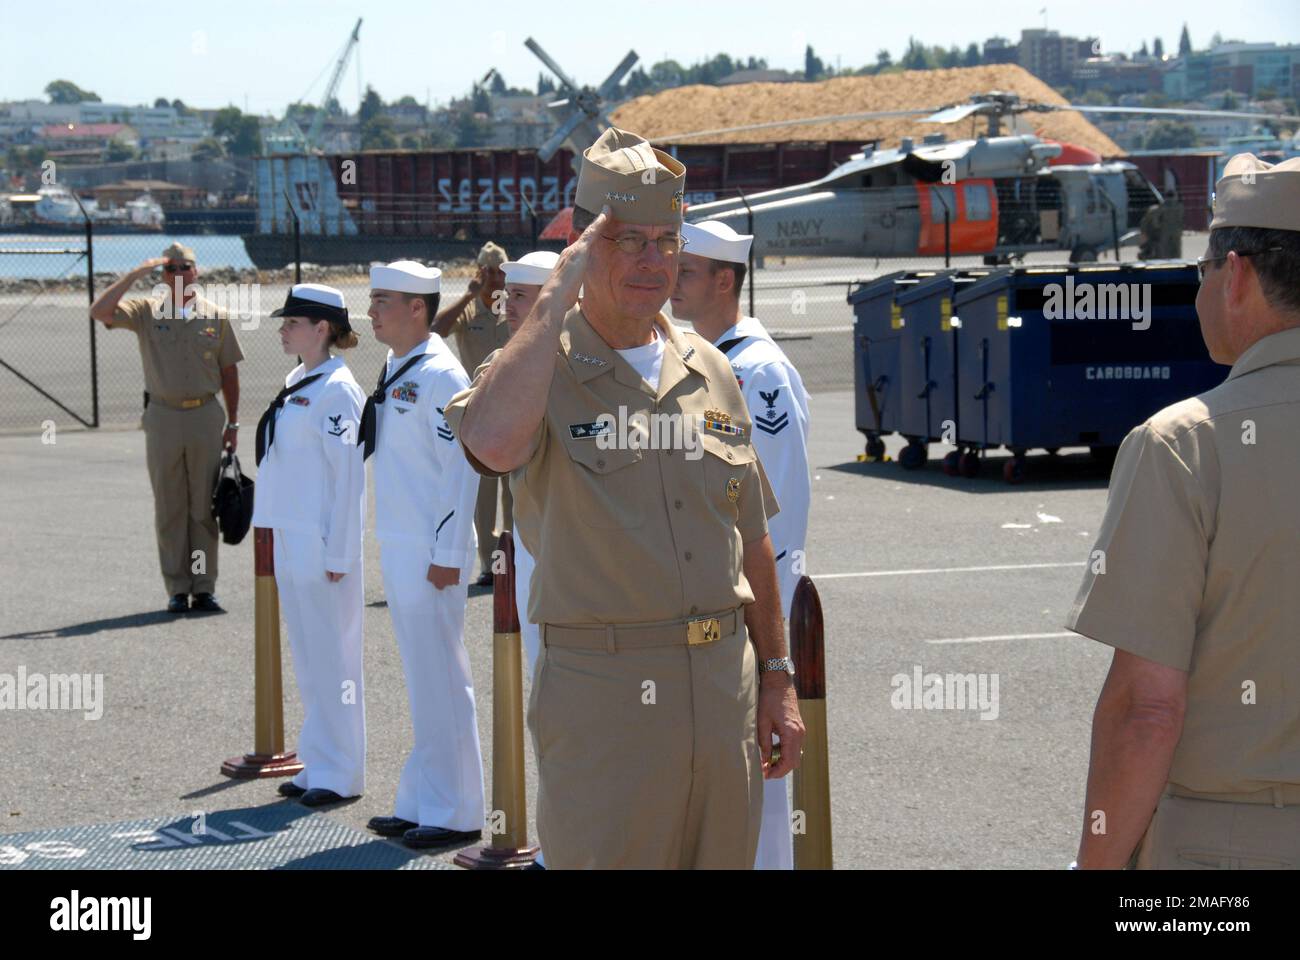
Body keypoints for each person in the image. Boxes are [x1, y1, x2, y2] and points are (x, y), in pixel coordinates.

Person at [446, 127, 805, 869]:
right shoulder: (538, 365)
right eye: (626, 240)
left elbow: (752, 537)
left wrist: (778, 675)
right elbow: (493, 447)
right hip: (605, 698)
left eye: (665, 242)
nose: (652, 262)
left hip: (723, 691)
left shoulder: (711, 368)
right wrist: (554, 295)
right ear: (581, 244)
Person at [1067, 153, 1300, 869]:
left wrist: (1096, 866)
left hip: (1230, 845)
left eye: (1203, 267)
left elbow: (1148, 709)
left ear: (1236, 276)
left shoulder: (1184, 444)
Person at [672, 219, 812, 871]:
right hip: (704, 621)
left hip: (748, 622)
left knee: (760, 793)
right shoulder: (701, 365)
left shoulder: (757, 375)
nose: (670, 281)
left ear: (724, 281)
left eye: (687, 271)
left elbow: (774, 524)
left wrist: (767, 641)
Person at [360, 260, 485, 850]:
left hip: (431, 550)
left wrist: (449, 551)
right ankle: (421, 799)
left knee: (443, 678)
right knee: (422, 680)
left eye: (382, 300)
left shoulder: (441, 375)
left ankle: (457, 809)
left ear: (418, 309)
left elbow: (461, 472)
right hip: (402, 542)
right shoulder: (397, 365)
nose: (370, 311)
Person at [250, 284, 367, 808]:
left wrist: (341, 553)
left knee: (334, 661)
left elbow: (348, 480)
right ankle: (317, 759)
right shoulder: (301, 379)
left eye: (291, 322)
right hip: (293, 537)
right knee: (308, 656)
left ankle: (341, 772)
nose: (282, 328)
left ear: (321, 329)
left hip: (322, 545)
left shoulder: (337, 390)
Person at [89, 242, 243, 613]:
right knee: (170, 506)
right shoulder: (145, 311)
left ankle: (203, 586)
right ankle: (177, 587)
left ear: (197, 272)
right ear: (162, 274)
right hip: (163, 417)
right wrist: (135, 274)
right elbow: (100, 311)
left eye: (185, 266)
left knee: (203, 507)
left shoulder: (215, 316)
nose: (179, 273)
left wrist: (234, 422)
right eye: (171, 268)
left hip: (205, 415)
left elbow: (229, 372)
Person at [497, 249, 560, 870]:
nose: (504, 306)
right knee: (546, 712)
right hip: (539, 570)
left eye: (518, 295)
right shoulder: (514, 369)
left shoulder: (578, 371)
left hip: (577, 581)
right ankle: (555, 841)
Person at [433, 241, 513, 586]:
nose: (495, 279)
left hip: (515, 410)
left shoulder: (515, 308)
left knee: (516, 493)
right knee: (482, 496)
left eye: (500, 271)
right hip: (479, 413)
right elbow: (435, 331)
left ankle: (512, 561)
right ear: (478, 272)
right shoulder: (470, 312)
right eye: (488, 271)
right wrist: (469, 295)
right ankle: (489, 565)